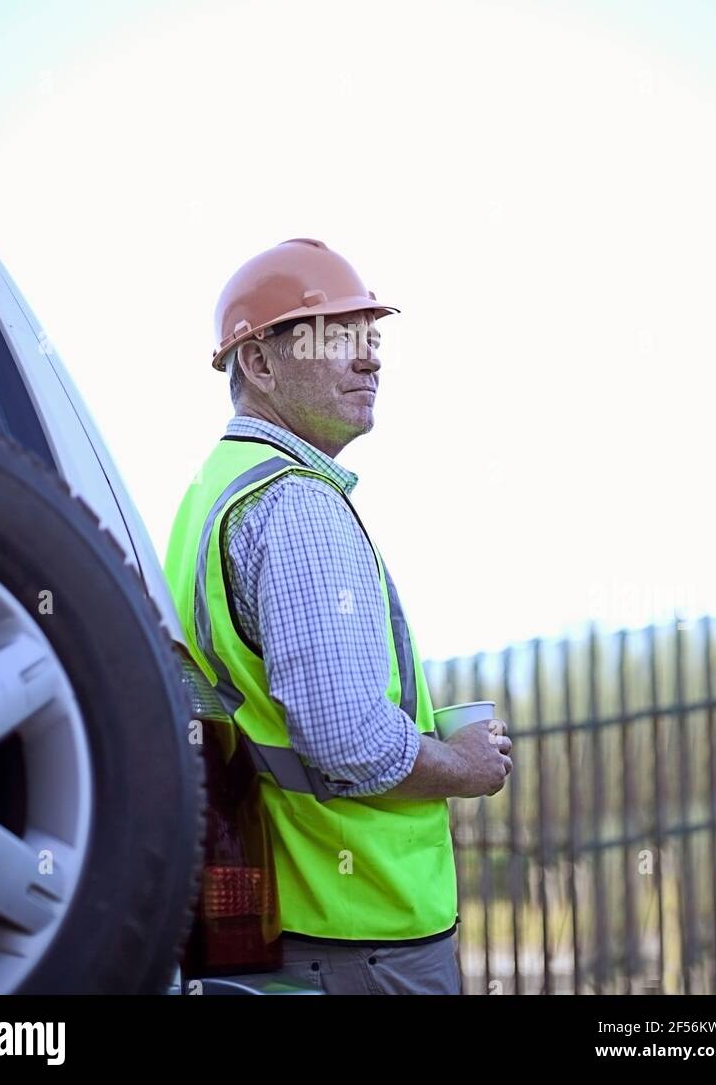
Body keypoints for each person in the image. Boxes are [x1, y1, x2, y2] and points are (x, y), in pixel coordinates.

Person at [165, 238, 513, 995]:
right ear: (258, 364)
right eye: (337, 338)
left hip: (296, 933)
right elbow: (346, 738)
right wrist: (465, 767)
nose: (370, 359)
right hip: (361, 940)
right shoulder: (296, 504)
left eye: (370, 337)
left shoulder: (212, 495)